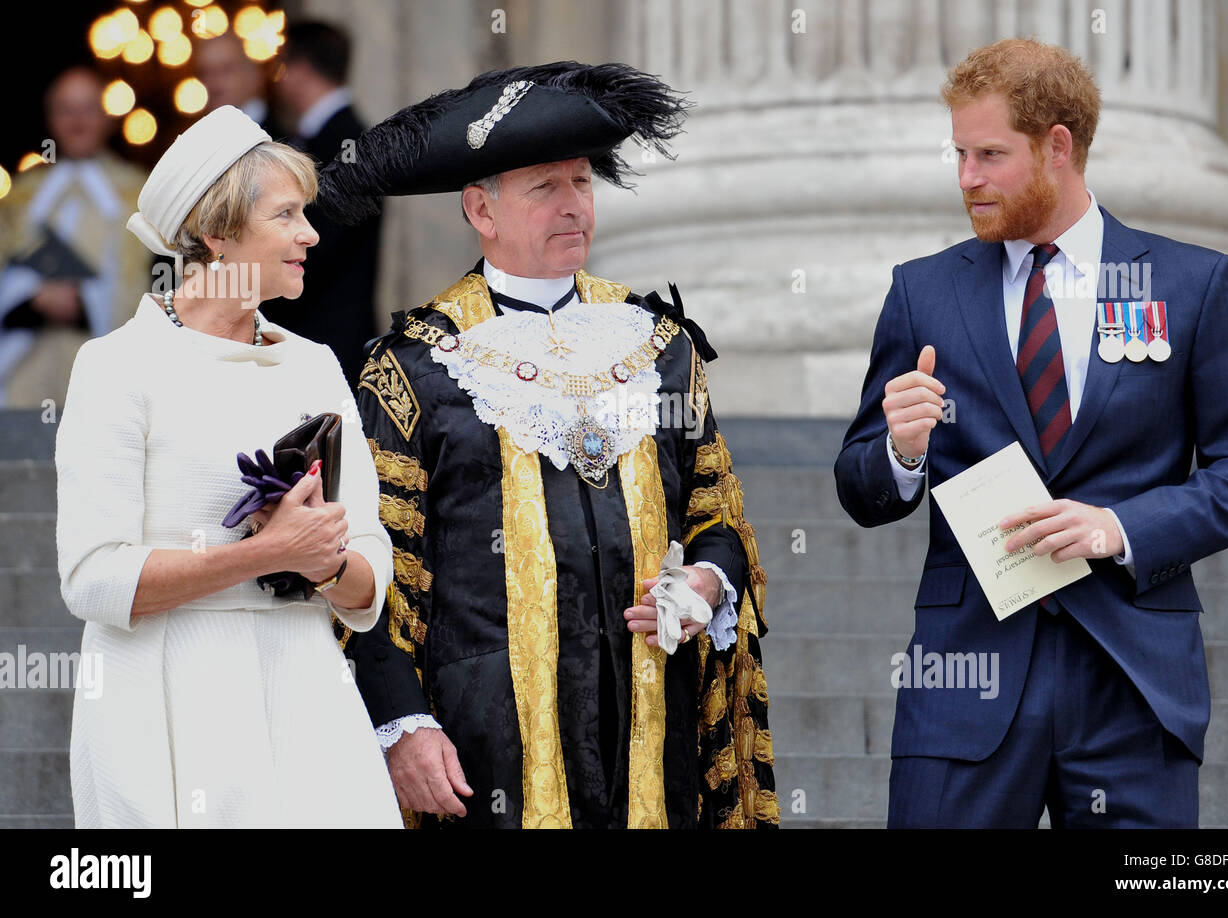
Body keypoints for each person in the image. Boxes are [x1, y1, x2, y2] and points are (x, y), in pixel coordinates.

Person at [834, 38, 1228, 828]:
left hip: (1133, 683)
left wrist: (1119, 526)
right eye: (959, 154)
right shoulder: (924, 291)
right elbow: (859, 485)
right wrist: (901, 453)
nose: (966, 177)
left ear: (1057, 146)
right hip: (967, 676)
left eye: (989, 154)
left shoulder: (1191, 284)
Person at [317, 62, 776, 828]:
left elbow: (718, 519)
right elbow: (376, 575)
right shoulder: (413, 367)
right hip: (486, 736)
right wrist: (402, 725)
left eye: (582, 183)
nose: (573, 207)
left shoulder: (662, 346)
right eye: (544, 188)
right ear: (480, 210)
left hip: (651, 730)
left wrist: (706, 581)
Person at [54, 105, 401, 828]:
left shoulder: (315, 366)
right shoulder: (117, 367)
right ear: (218, 233)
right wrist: (266, 553)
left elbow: (369, 567)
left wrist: (321, 566)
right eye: (287, 216)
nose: (311, 234)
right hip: (161, 695)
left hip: (306, 691)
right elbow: (92, 577)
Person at [0, 66, 152, 408]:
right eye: (66, 110)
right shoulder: (23, 196)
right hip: (25, 367)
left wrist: (85, 303)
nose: (77, 121)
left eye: (87, 109)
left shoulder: (137, 192)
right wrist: (33, 298)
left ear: (106, 117)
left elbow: (148, 283)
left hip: (101, 369)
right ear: (50, 119)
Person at [264, 20, 381, 388]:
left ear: (298, 71)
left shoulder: (342, 146)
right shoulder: (335, 139)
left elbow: (316, 247)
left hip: (326, 342)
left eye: (282, 68)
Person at [194, 31, 286, 139]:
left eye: (225, 70)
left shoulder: (286, 135)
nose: (214, 82)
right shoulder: (202, 139)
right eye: (205, 73)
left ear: (253, 74)